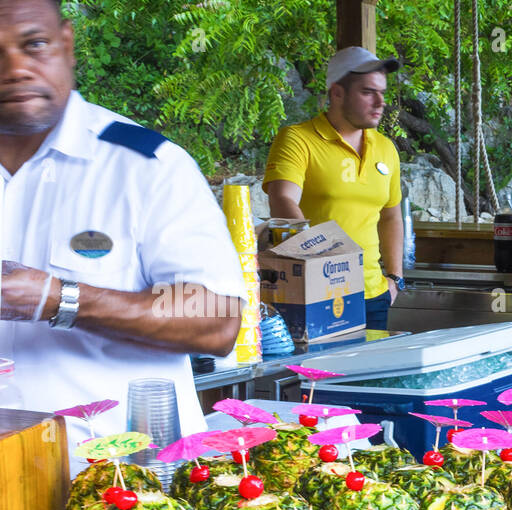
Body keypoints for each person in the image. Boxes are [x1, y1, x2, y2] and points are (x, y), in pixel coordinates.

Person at [0, 0, 244, 465]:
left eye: (34, 45)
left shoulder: (144, 166)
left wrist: (60, 298)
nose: (15, 68)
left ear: (67, 45)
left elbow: (217, 319)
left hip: (115, 492)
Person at [263, 47, 404, 332]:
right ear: (337, 93)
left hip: (373, 294)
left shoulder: (386, 148)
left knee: (369, 377)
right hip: (317, 294)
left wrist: (395, 278)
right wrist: (319, 268)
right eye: (368, 92)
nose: (380, 102)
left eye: (382, 93)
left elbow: (391, 216)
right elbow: (282, 199)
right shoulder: (297, 139)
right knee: (322, 377)